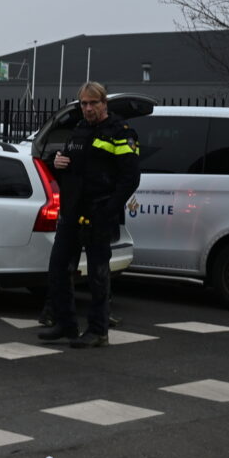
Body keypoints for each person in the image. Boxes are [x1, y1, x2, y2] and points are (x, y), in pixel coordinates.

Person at [38, 82, 140, 348]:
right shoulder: (79, 130)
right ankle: (65, 324)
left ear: (104, 103)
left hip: (99, 213)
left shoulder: (120, 132)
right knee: (59, 268)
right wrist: (57, 162)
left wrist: (108, 210)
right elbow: (70, 167)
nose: (88, 108)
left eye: (93, 103)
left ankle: (98, 331)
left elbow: (130, 178)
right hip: (72, 212)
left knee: (97, 275)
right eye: (84, 103)